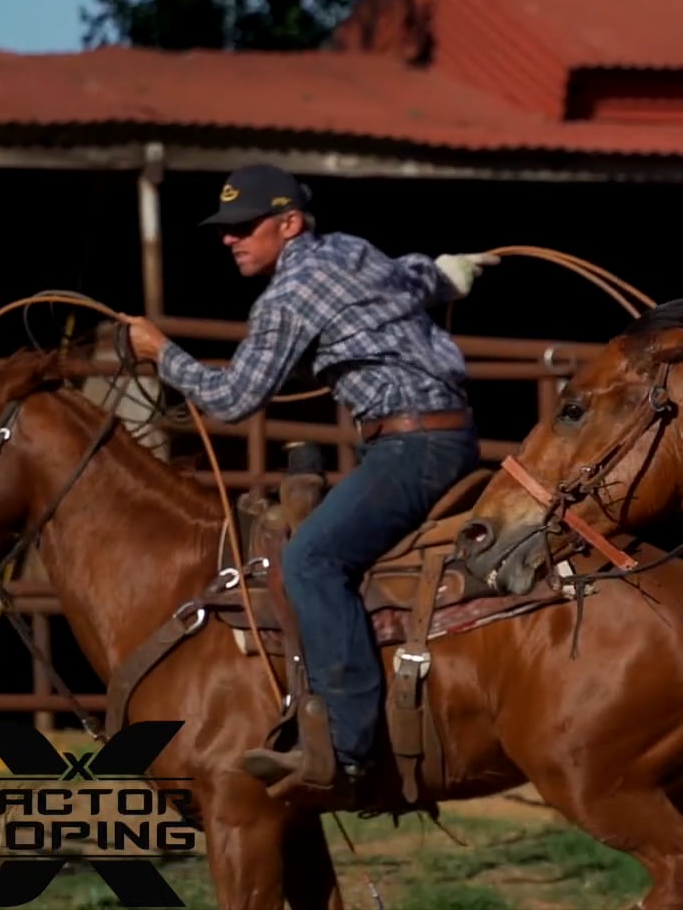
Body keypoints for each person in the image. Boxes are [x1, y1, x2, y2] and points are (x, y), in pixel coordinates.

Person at [118, 163, 499, 806]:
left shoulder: (288, 298)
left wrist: (163, 353)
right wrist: (446, 273)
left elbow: (233, 398)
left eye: (243, 227)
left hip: (407, 447)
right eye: (226, 229)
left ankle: (347, 747)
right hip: (448, 435)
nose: (229, 239)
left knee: (311, 560)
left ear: (288, 224)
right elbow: (412, 278)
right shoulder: (349, 250)